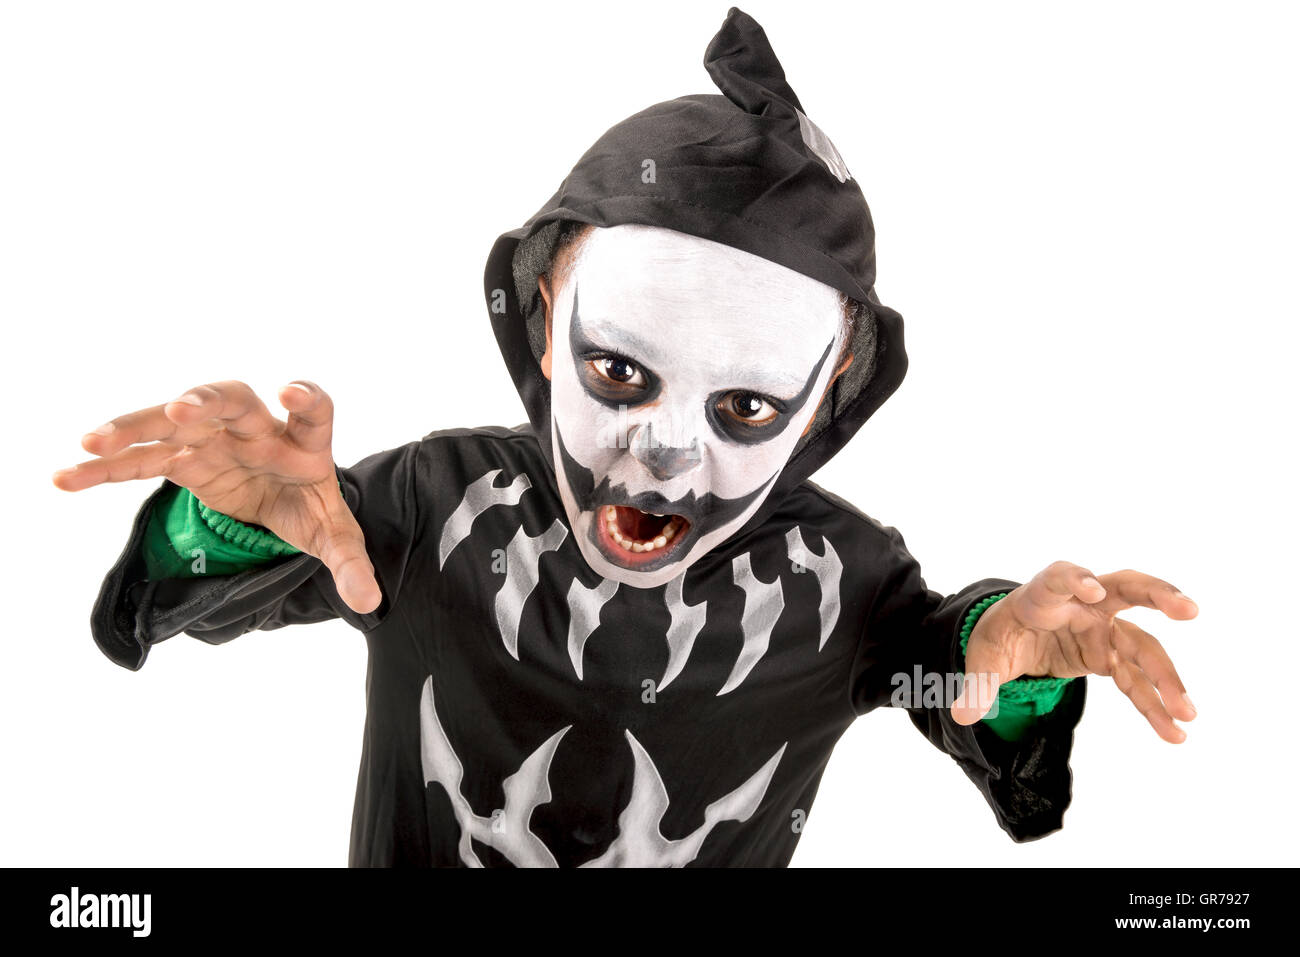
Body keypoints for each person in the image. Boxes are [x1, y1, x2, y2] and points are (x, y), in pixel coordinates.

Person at [53, 7, 1197, 867]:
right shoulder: (434, 509)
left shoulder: (841, 586)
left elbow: (944, 682)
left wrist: (1014, 667)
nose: (663, 453)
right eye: (618, 373)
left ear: (825, 399)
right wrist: (232, 524)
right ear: (546, 320)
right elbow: (174, 608)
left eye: (744, 409)